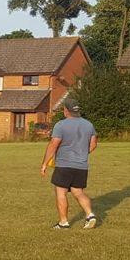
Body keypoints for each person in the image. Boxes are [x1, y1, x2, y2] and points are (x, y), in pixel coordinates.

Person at [41, 98, 98, 230]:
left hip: (64, 165)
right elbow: (94, 144)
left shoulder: (60, 125)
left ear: (66, 110)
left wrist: (44, 164)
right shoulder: (88, 124)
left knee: (60, 192)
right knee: (78, 191)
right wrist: (82, 154)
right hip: (81, 165)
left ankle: (63, 223)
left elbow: (53, 144)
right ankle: (90, 215)